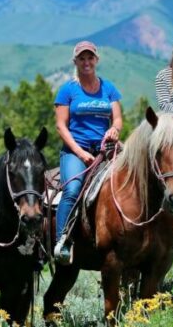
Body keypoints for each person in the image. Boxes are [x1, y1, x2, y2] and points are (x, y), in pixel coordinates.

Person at [54, 41, 123, 264]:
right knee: (73, 189)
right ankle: (62, 241)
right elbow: (61, 126)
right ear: (75, 62)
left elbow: (118, 118)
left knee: (135, 178)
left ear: (96, 60)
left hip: (105, 150)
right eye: (82, 58)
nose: (86, 62)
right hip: (76, 151)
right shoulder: (67, 91)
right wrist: (79, 152)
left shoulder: (109, 88)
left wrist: (114, 129)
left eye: (90, 58)